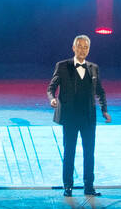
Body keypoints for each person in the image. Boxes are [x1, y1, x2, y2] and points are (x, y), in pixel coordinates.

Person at [47, 34, 111, 196]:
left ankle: (89, 186)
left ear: (88, 49)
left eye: (85, 47)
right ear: (73, 47)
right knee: (69, 151)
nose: (82, 50)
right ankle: (67, 186)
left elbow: (100, 91)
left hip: (88, 117)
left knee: (89, 152)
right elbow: (51, 87)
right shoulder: (62, 66)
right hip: (70, 117)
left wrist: (104, 110)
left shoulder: (94, 68)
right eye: (79, 46)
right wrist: (52, 99)